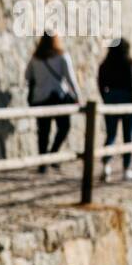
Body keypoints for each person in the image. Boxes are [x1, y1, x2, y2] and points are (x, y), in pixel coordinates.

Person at [24, 29, 82, 173]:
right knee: (64, 127)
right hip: (57, 98)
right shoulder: (62, 56)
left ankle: (43, 164)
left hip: (40, 98)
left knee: (43, 132)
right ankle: (53, 155)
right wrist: (78, 97)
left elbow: (27, 76)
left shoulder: (35, 58)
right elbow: (71, 79)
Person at [97, 40, 132, 181]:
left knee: (110, 134)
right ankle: (126, 168)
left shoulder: (105, 64)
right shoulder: (131, 63)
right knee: (128, 135)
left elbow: (100, 82)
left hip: (111, 99)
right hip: (129, 100)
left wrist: (105, 98)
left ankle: (106, 166)